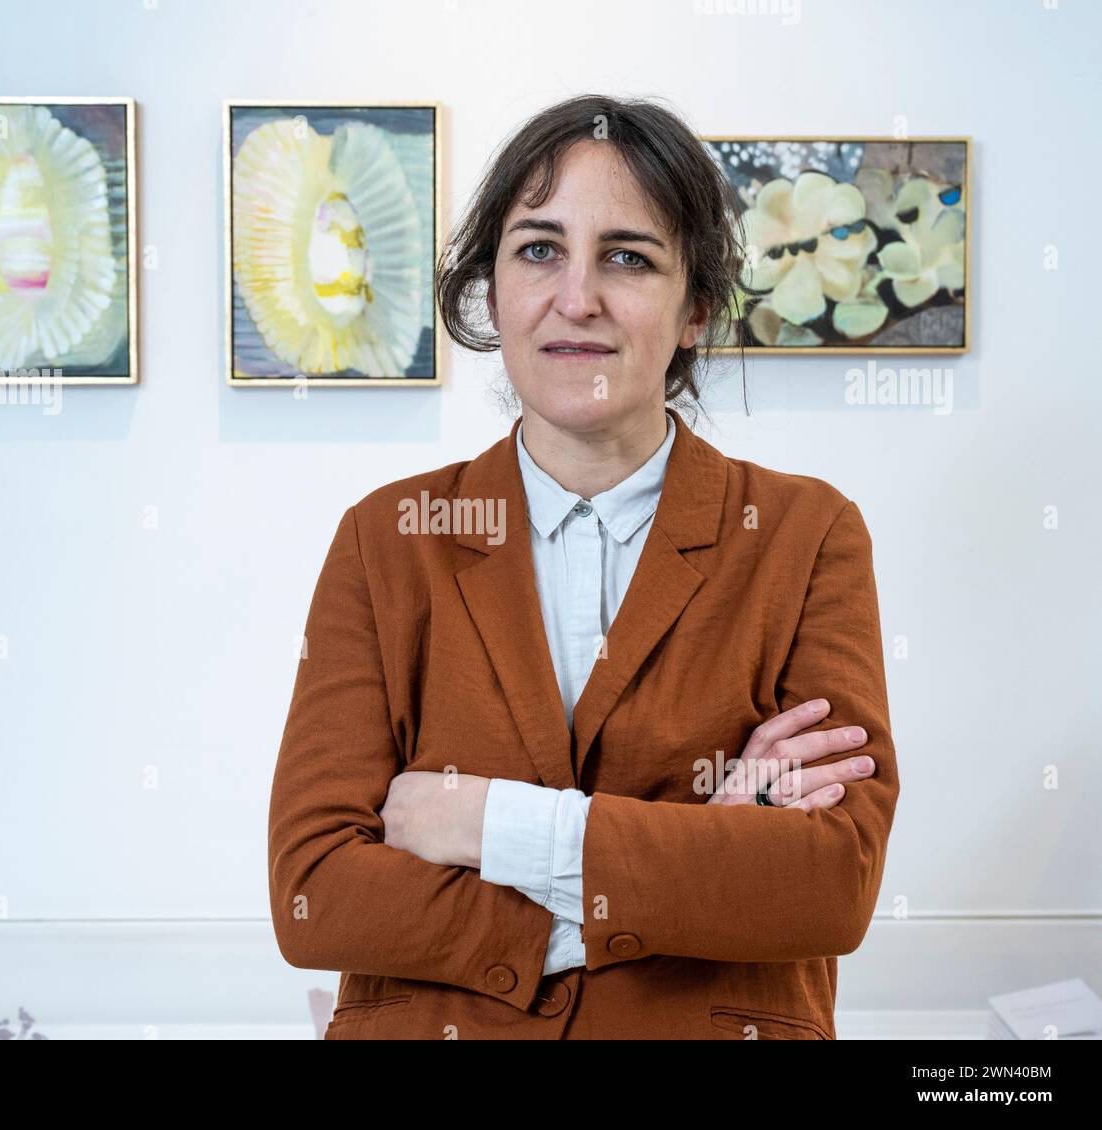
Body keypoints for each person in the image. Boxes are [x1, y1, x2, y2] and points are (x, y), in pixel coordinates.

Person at [267, 93, 899, 1040]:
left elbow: (826, 885)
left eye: (627, 257)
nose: (577, 298)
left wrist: (488, 825)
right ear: (491, 288)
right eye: (538, 249)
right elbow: (315, 892)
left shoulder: (807, 535)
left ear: (695, 310)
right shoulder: (387, 537)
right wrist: (698, 863)